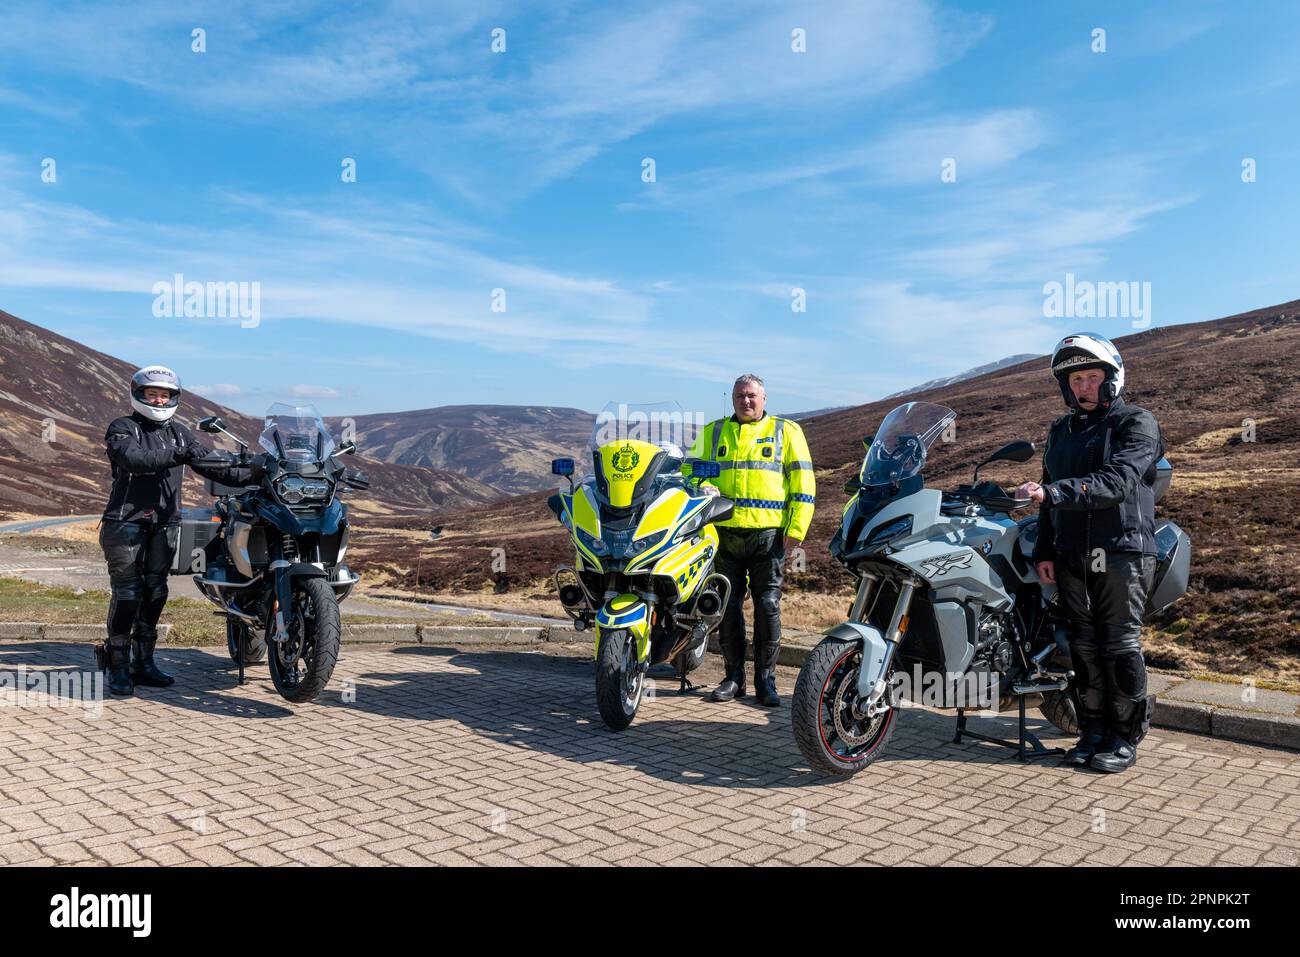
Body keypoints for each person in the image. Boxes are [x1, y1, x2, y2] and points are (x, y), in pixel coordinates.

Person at [1016, 334, 1165, 773]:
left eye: (1091, 376)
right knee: (1080, 645)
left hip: (1122, 549)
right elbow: (1048, 495)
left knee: (1117, 645)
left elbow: (1116, 482)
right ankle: (1092, 732)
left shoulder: (1136, 423)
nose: (1082, 386)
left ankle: (1124, 738)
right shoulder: (1061, 430)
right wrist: (1045, 548)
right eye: (1075, 378)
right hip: (1069, 552)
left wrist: (1051, 491)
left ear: (1111, 379)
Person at [100, 366, 252, 697]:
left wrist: (255, 472)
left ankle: (145, 663)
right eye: (153, 393)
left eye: (165, 394)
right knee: (127, 593)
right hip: (125, 522)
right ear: (138, 394)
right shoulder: (123, 427)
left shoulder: (181, 433)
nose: (159, 399)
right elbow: (134, 460)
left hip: (165, 522)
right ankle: (119, 667)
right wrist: (179, 454)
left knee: (156, 591)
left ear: (174, 398)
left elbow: (210, 464)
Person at [686, 374, 815, 707]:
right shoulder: (714, 432)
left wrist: (795, 530)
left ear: (764, 398)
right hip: (723, 534)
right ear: (732, 398)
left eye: (752, 396)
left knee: (767, 606)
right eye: (740, 396)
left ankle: (766, 682)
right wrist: (701, 487)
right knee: (727, 608)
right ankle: (732, 678)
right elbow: (689, 472)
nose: (746, 401)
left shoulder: (786, 432)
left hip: (767, 537)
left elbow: (803, 480)